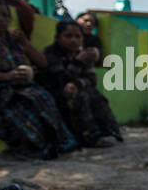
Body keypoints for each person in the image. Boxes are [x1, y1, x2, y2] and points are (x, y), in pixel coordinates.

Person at [0, 0, 78, 159]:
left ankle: (56, 142)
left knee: (42, 97)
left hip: (21, 87)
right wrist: (5, 76)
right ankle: (31, 146)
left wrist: (24, 42)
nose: (0, 19)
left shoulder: (13, 41)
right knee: (23, 104)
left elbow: (42, 63)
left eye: (5, 16)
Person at [40, 18, 121, 147]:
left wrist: (76, 84)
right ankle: (90, 137)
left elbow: (92, 79)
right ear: (57, 37)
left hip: (74, 89)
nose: (74, 40)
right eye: (68, 36)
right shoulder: (50, 54)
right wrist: (78, 62)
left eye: (78, 37)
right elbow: (61, 80)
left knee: (95, 95)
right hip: (54, 94)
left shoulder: (83, 53)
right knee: (80, 97)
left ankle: (109, 131)